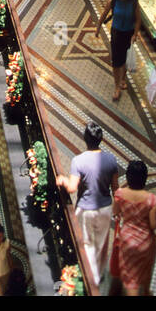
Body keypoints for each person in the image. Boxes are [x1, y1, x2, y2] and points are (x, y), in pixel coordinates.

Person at [55, 121, 119, 290]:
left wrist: (63, 180)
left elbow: (72, 187)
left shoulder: (78, 161)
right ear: (100, 139)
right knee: (100, 244)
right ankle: (96, 276)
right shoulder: (111, 159)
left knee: (85, 244)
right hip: (105, 208)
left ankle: (87, 281)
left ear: (85, 139)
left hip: (85, 209)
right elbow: (115, 189)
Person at [112, 159, 156, 296]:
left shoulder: (120, 194)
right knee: (145, 270)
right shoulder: (151, 199)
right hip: (145, 242)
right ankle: (145, 291)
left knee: (131, 279)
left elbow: (115, 212)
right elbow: (153, 224)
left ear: (128, 177)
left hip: (127, 240)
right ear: (145, 178)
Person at [96, 0, 141, 101]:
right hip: (116, 33)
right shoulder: (113, 0)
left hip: (128, 33)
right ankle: (117, 87)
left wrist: (135, 33)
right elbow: (104, 14)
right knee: (116, 61)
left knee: (125, 58)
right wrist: (98, 27)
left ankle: (122, 79)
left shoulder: (134, 3)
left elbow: (138, 20)